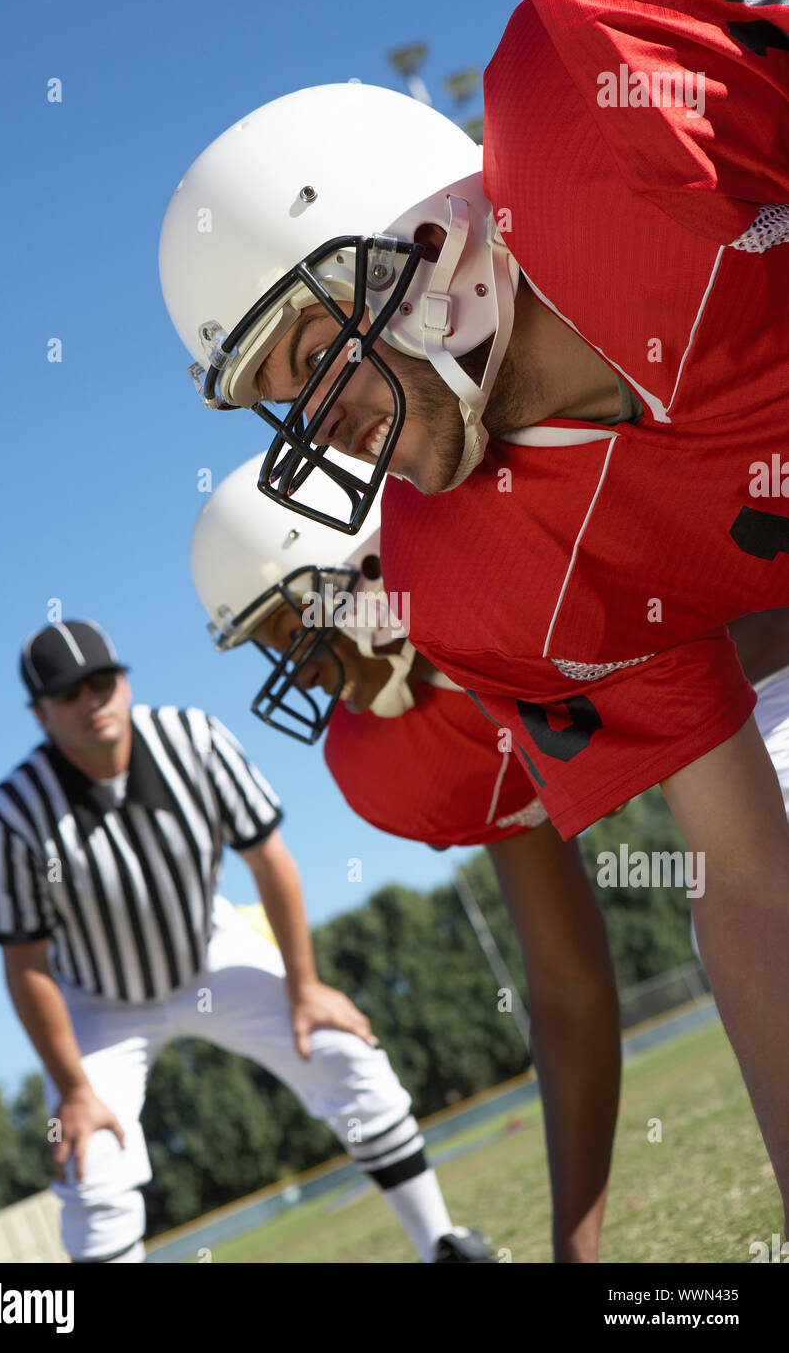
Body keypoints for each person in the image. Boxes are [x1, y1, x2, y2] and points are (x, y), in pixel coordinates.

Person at [157, 0, 789, 1226]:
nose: (320, 434)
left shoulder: (593, 102)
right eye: (281, 404)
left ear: (421, 241)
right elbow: (745, 869)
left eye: (310, 362)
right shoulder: (482, 578)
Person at [191, 458, 621, 1263]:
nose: (302, 675)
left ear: (365, 571)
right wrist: (576, 1253)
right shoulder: (409, 748)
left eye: (295, 637)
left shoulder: (523, 561)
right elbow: (568, 983)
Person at [0, 619, 494, 1263]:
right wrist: (75, 1090)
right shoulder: (12, 814)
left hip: (210, 952)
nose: (91, 701)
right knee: (93, 1161)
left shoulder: (194, 739)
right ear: (40, 715)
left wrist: (305, 987)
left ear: (125, 682)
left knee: (342, 1049)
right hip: (99, 998)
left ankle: (440, 1244)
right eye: (68, 693)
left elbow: (270, 860)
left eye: (101, 681)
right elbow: (25, 966)